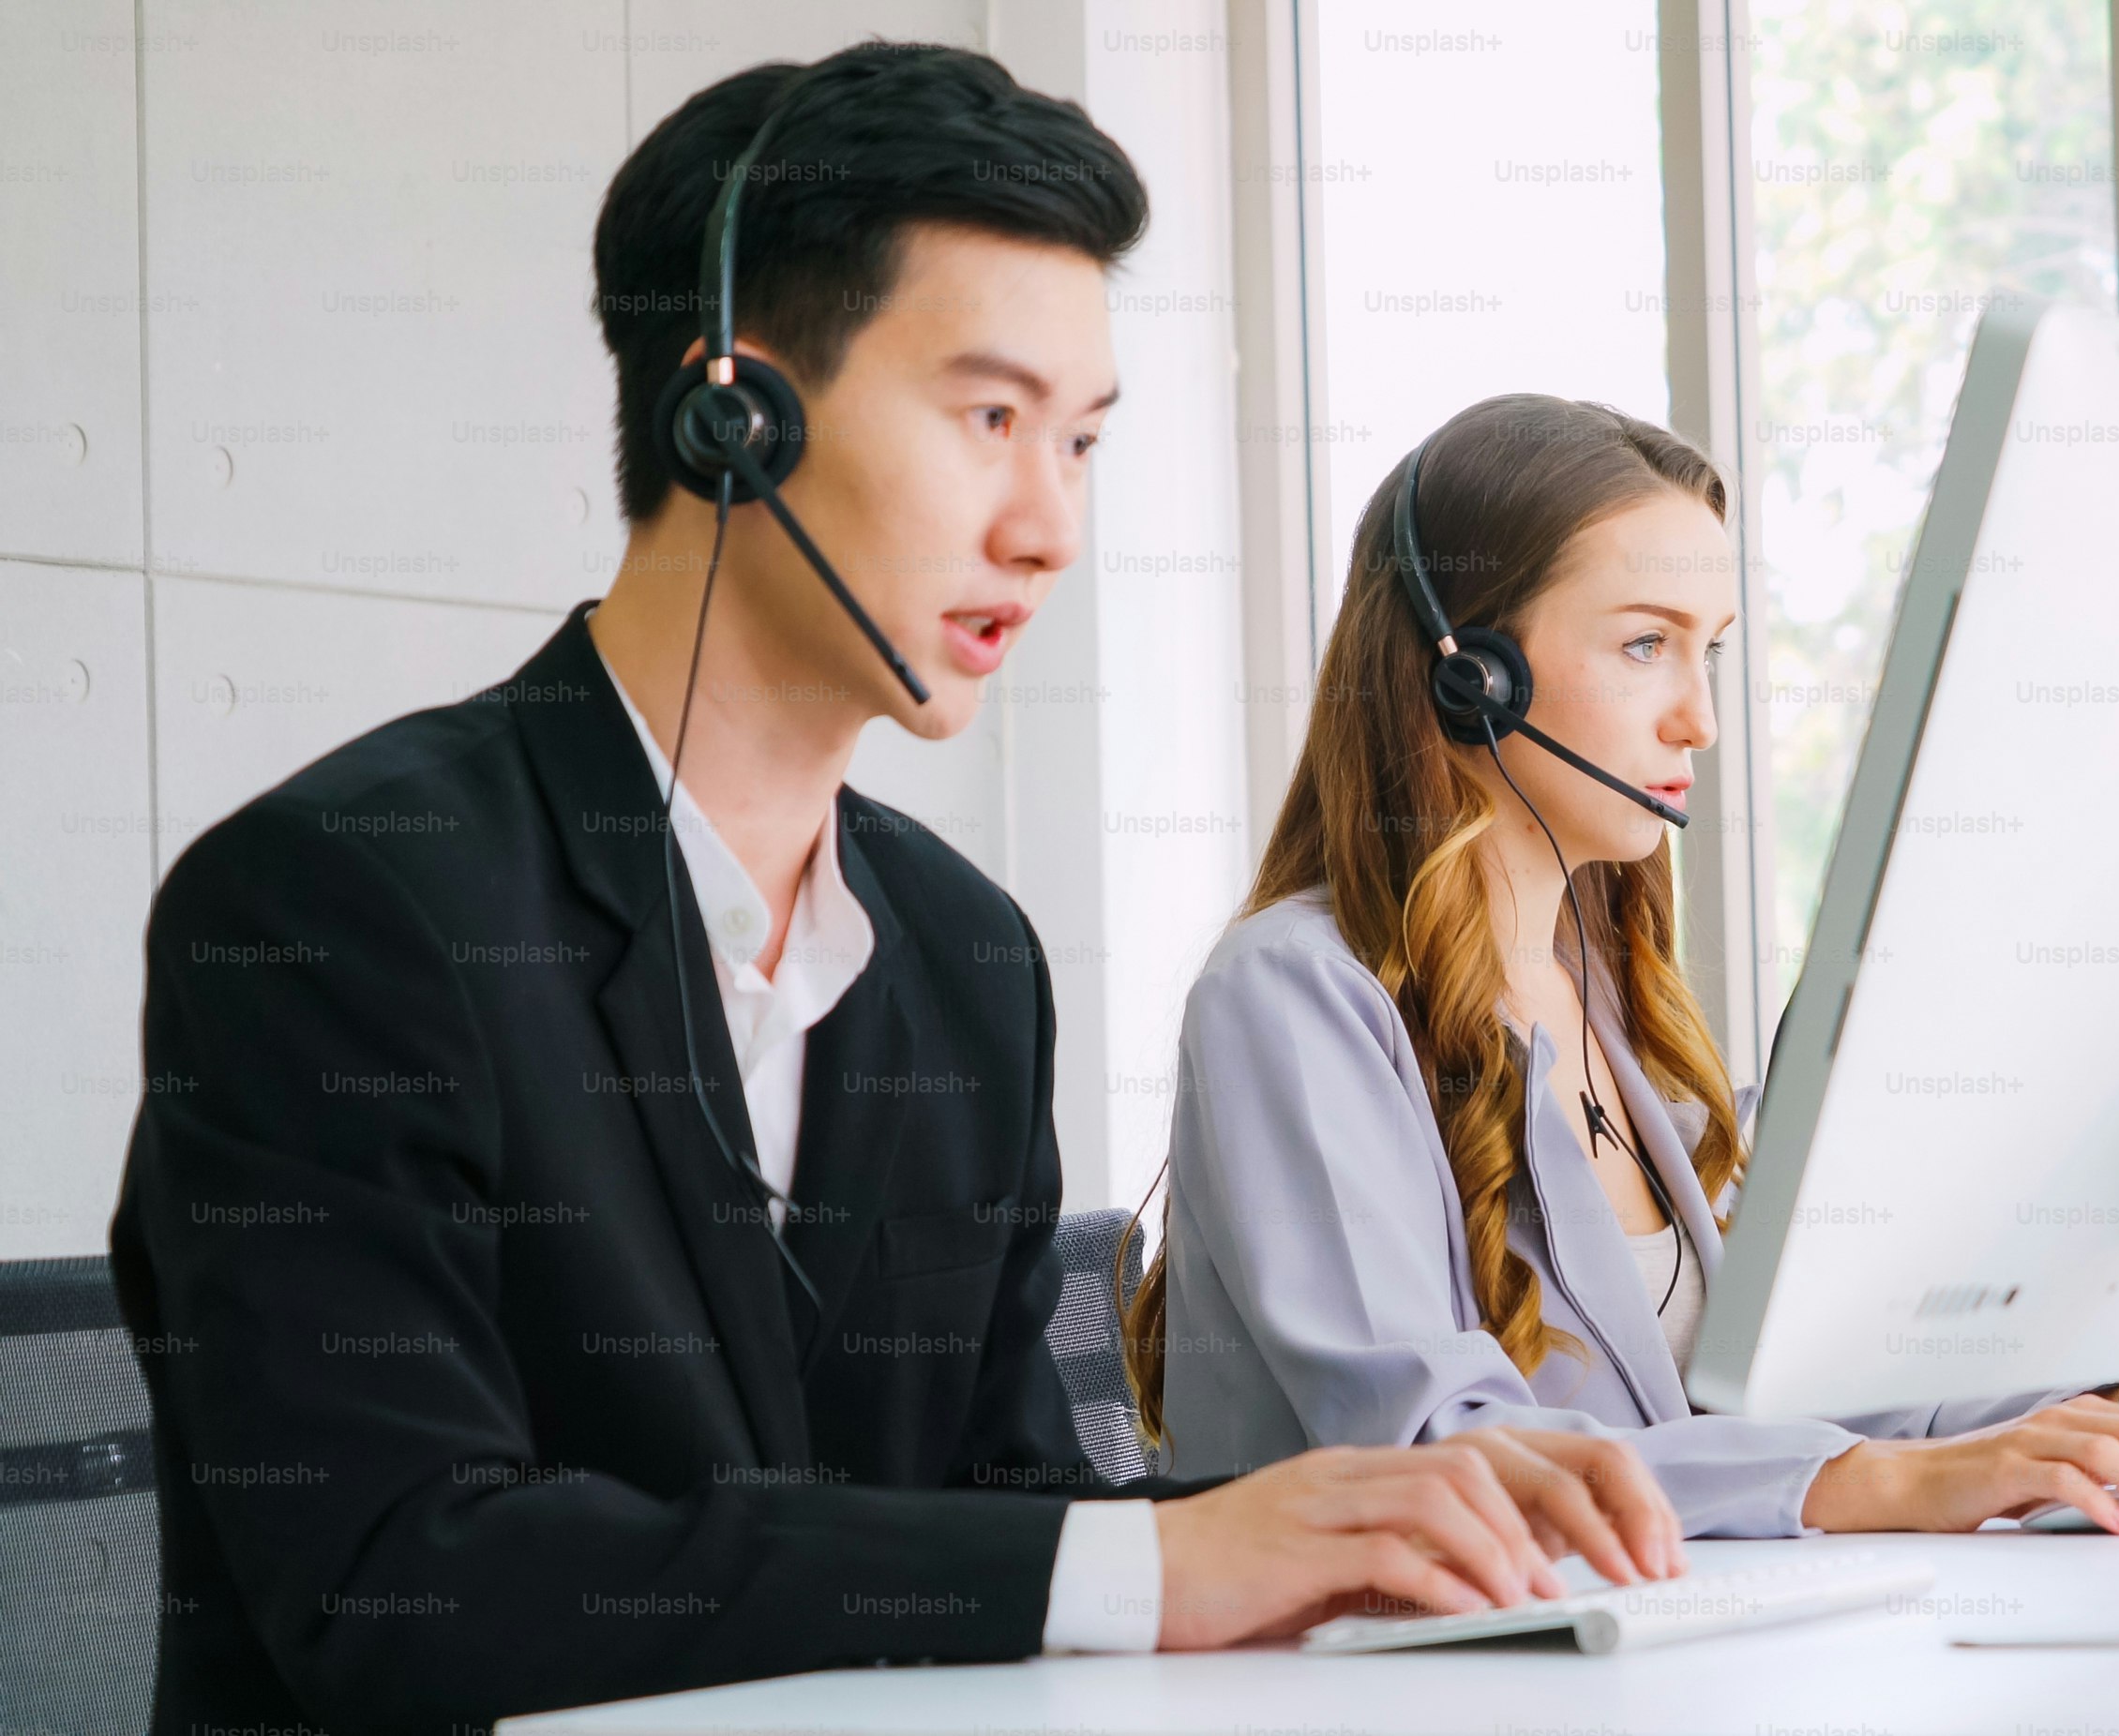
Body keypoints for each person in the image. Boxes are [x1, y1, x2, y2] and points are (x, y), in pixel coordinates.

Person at [110, 48, 1674, 1736]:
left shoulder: (959, 954)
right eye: (992, 420)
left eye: (1079, 442)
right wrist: (1158, 1572)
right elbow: (397, 1579)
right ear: (737, 414)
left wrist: (1340, 1550)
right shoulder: (340, 899)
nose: (1050, 527)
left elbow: (989, 1519)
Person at [1122, 394, 2119, 1539]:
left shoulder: (1622, 1014)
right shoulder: (1296, 996)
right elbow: (1422, 1451)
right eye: (1643, 648)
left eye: (1708, 654)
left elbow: (1849, 1414)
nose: (1698, 718)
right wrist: (1875, 1486)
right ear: (1465, 673)